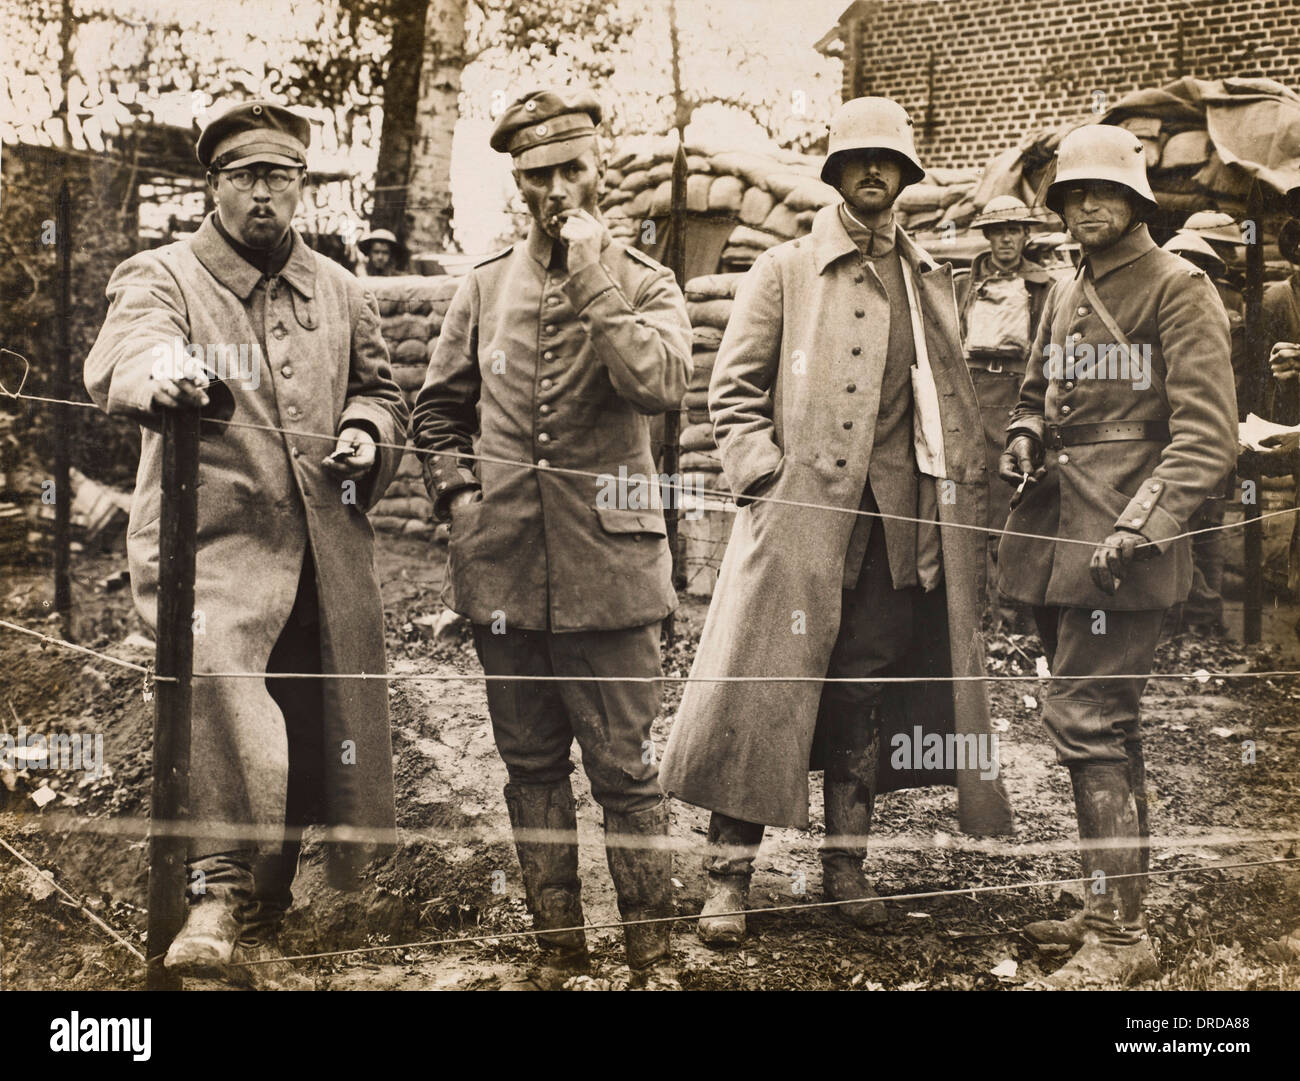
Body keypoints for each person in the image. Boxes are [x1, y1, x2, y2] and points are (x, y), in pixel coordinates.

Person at [659, 96, 1012, 947]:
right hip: (799, 529)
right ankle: (729, 878)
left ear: (906, 177)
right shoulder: (783, 270)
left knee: (862, 693)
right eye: (859, 161)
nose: (874, 174)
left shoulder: (927, 277)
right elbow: (733, 394)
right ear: (835, 172)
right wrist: (763, 478)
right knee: (765, 689)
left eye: (888, 162)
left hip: (895, 528)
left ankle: (845, 864)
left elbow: (950, 406)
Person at [84, 100, 409, 988]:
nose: (264, 195)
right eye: (244, 177)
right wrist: (164, 372)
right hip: (212, 547)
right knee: (222, 690)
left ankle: (270, 889)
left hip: (322, 544)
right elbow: (125, 350)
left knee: (308, 709)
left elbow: (383, 391)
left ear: (301, 184)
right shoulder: (163, 274)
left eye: (281, 176)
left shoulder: (339, 287)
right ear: (214, 184)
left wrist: (366, 430)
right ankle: (212, 893)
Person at [409, 89, 691, 986]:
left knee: (627, 771)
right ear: (518, 183)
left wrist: (593, 276)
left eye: (574, 169)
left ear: (598, 169)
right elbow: (437, 410)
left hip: (611, 571)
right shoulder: (486, 285)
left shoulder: (646, 281)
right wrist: (461, 501)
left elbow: (659, 383)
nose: (558, 188)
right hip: (504, 571)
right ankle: (556, 954)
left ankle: (652, 957)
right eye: (539, 174)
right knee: (529, 763)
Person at [997, 124, 1237, 987]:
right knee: (1103, 722)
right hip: (1063, 532)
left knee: (1085, 716)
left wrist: (1142, 522)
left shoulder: (1180, 287)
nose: (1084, 205)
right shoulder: (1066, 289)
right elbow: (1035, 390)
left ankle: (1122, 941)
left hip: (1125, 539)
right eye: (1070, 194)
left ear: (1138, 199)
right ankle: (1111, 904)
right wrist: (1025, 432)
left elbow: (1207, 436)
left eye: (1102, 191)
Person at [956, 194, 1055, 630]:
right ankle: (974, 607)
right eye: (997, 232)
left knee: (1016, 490)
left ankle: (1015, 606)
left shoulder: (1044, 287)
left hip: (1019, 392)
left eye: (1013, 231)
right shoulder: (963, 284)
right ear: (987, 237)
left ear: (1025, 235)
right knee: (971, 489)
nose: (1005, 241)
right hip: (973, 392)